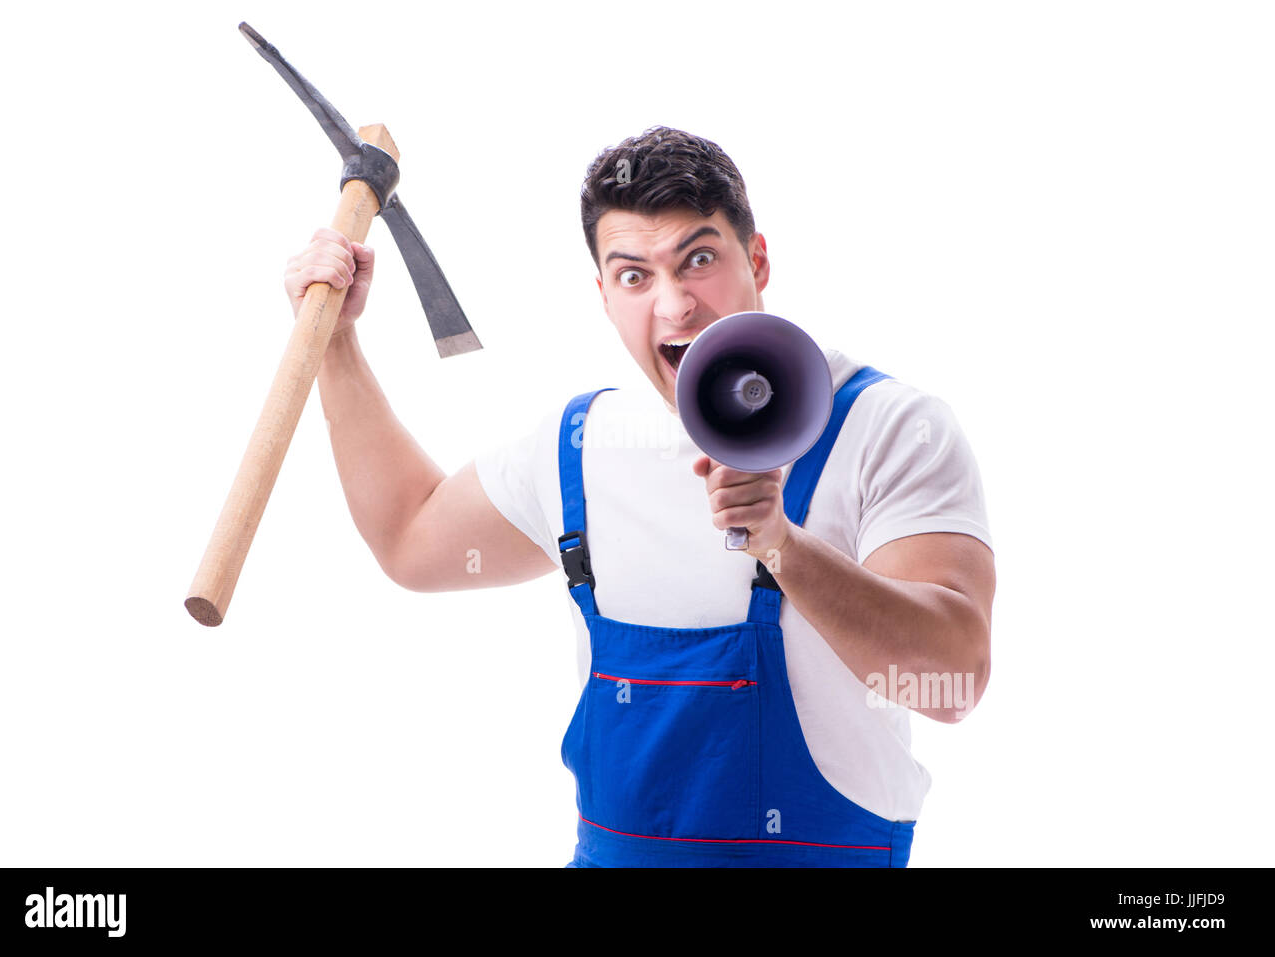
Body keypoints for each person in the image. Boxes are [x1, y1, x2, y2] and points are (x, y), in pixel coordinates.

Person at [284, 126, 995, 867]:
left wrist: (784, 545)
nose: (675, 304)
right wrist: (334, 343)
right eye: (634, 276)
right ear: (603, 296)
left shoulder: (887, 428)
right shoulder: (581, 447)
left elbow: (953, 682)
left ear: (756, 259)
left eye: (699, 259)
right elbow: (409, 537)